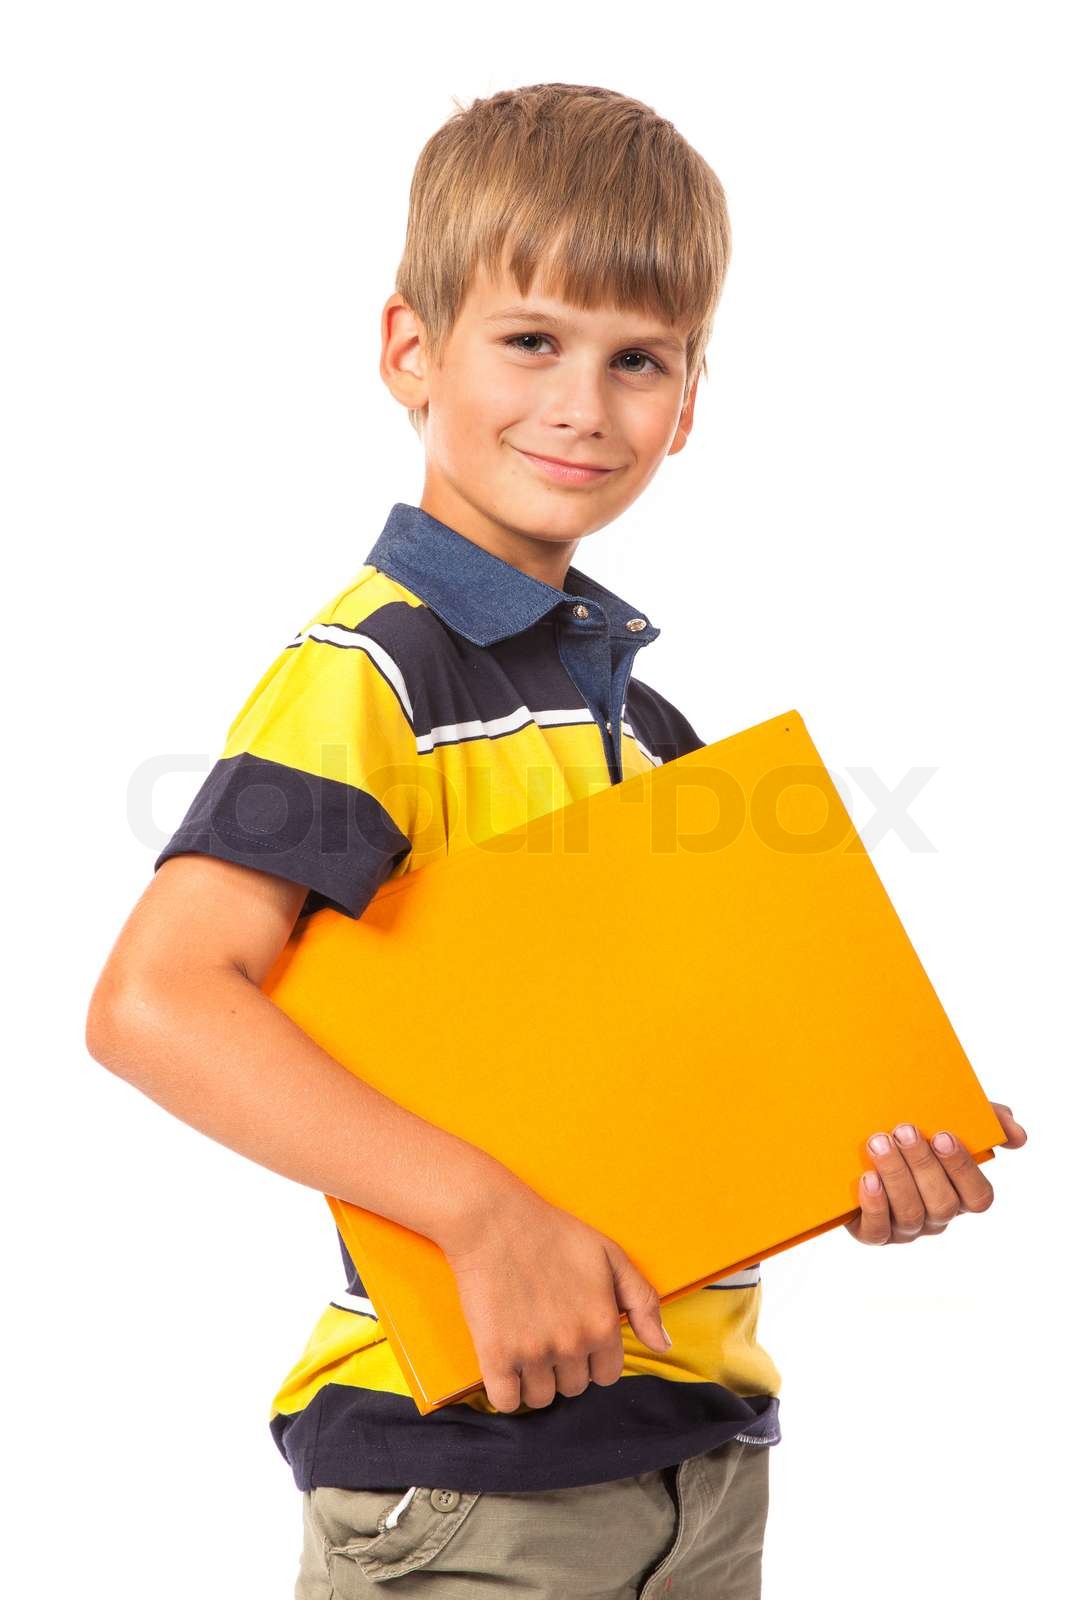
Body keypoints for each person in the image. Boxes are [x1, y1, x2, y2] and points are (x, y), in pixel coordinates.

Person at [85, 82, 1028, 1599]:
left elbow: (658, 1092)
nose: (583, 404)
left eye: (637, 359)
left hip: (699, 1462)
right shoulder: (373, 671)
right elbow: (155, 1002)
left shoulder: (651, 730)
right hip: (466, 1469)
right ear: (412, 350)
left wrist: (856, 1156)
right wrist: (480, 1216)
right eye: (532, 340)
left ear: (689, 400)